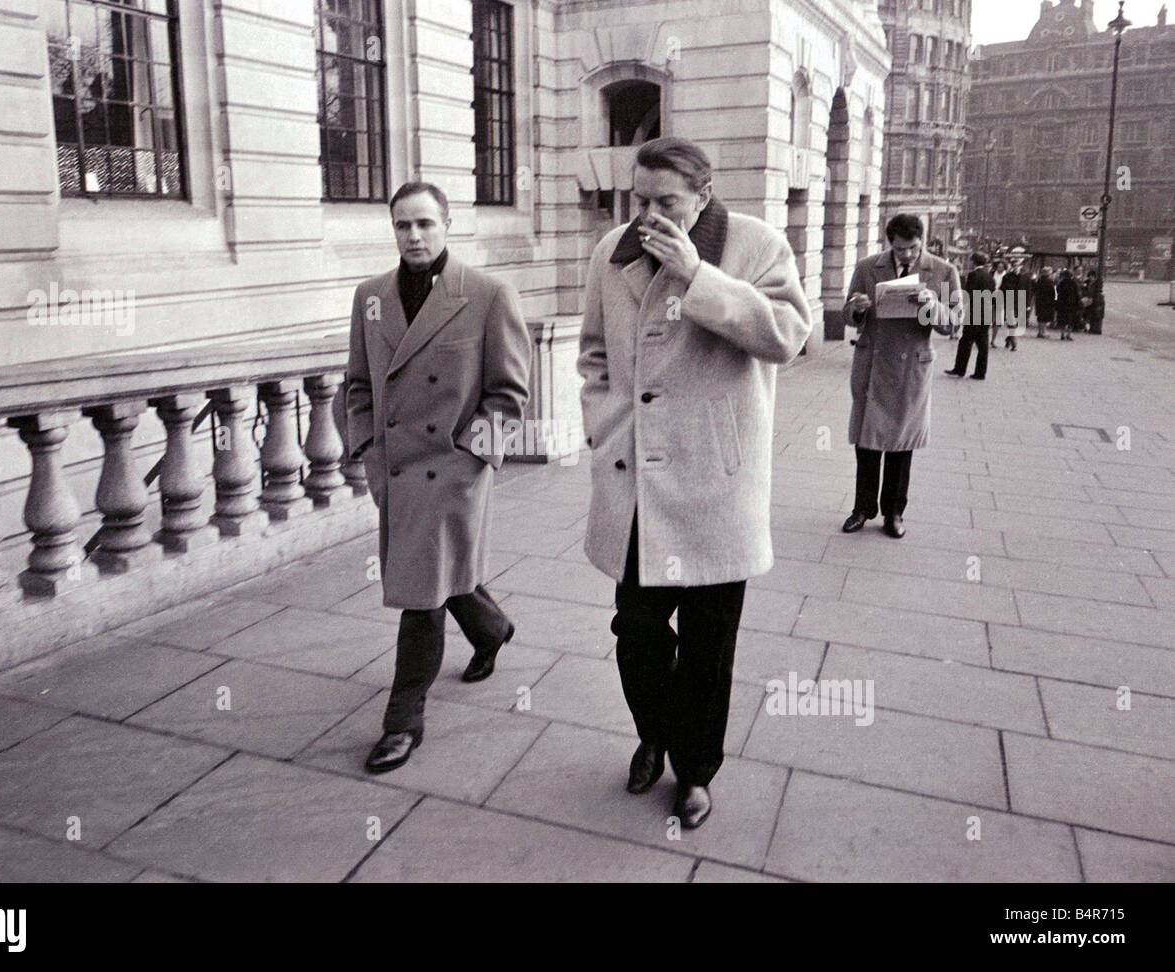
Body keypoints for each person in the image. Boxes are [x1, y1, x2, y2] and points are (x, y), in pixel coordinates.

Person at [577, 137, 811, 829]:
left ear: (703, 194)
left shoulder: (757, 245)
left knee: (709, 648)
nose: (646, 214)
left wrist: (698, 277)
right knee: (637, 632)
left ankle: (695, 772)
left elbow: (787, 336)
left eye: (664, 202)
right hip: (636, 482)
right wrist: (603, 423)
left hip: (716, 484)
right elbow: (593, 352)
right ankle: (655, 731)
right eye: (638, 199)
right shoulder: (610, 252)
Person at [345, 181, 532, 774]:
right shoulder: (371, 297)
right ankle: (492, 628)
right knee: (437, 573)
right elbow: (356, 386)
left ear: (448, 224)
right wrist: (371, 453)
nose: (414, 236)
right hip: (397, 472)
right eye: (403, 226)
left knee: (420, 595)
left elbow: (508, 394)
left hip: (453, 470)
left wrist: (475, 456)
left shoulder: (486, 294)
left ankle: (403, 721)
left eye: (425, 223)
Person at [843, 213, 961, 539]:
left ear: (922, 241)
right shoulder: (868, 267)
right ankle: (862, 508)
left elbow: (954, 324)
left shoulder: (943, 271)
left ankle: (894, 512)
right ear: (889, 243)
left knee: (900, 444)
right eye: (899, 249)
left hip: (911, 369)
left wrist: (932, 304)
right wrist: (859, 307)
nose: (906, 255)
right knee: (866, 442)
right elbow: (849, 314)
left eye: (912, 248)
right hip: (873, 364)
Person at [946, 251, 996, 379]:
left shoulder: (974, 275)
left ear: (974, 261)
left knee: (966, 341)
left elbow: (969, 294)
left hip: (975, 313)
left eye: (971, 260)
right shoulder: (990, 276)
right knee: (983, 344)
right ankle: (980, 373)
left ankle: (959, 369)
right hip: (986, 313)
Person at [999, 258, 1032, 350]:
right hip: (1009, 301)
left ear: (1020, 266)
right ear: (1011, 267)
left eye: (1017, 265)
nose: (1016, 267)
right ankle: (1014, 344)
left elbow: (1028, 291)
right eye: (1014, 266)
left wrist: (1028, 304)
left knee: (1016, 324)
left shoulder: (1026, 278)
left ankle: (1009, 339)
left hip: (1021, 302)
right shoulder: (1007, 277)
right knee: (1011, 323)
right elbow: (1002, 290)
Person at [1056, 268, 1081, 340]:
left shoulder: (1061, 284)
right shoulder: (1074, 284)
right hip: (1071, 304)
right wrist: (1078, 303)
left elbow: (1056, 294)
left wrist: (1057, 302)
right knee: (1070, 320)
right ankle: (1068, 335)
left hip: (1062, 304)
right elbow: (1077, 294)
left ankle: (1062, 334)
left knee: (1062, 320)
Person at [1033, 266, 1057, 338]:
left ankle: (1040, 331)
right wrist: (1055, 300)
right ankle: (1043, 331)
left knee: (1040, 317)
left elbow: (1035, 290)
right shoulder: (1050, 281)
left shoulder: (1039, 280)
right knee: (1045, 318)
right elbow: (1054, 292)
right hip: (1048, 302)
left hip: (1039, 301)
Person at [989, 260, 1008, 348]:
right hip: (990, 298)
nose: (1000, 268)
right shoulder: (991, 274)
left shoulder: (1007, 276)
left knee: (997, 321)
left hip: (1001, 299)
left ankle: (993, 340)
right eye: (998, 266)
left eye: (1002, 267)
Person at [1081, 268, 1104, 334]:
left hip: (1096, 300)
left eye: (1091, 277)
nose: (1090, 278)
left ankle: (1097, 329)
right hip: (1090, 300)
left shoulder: (1098, 282)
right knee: (1091, 315)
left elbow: (1097, 291)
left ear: (1094, 276)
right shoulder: (1088, 282)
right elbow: (1085, 289)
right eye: (1089, 277)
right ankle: (1092, 328)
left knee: (1097, 315)